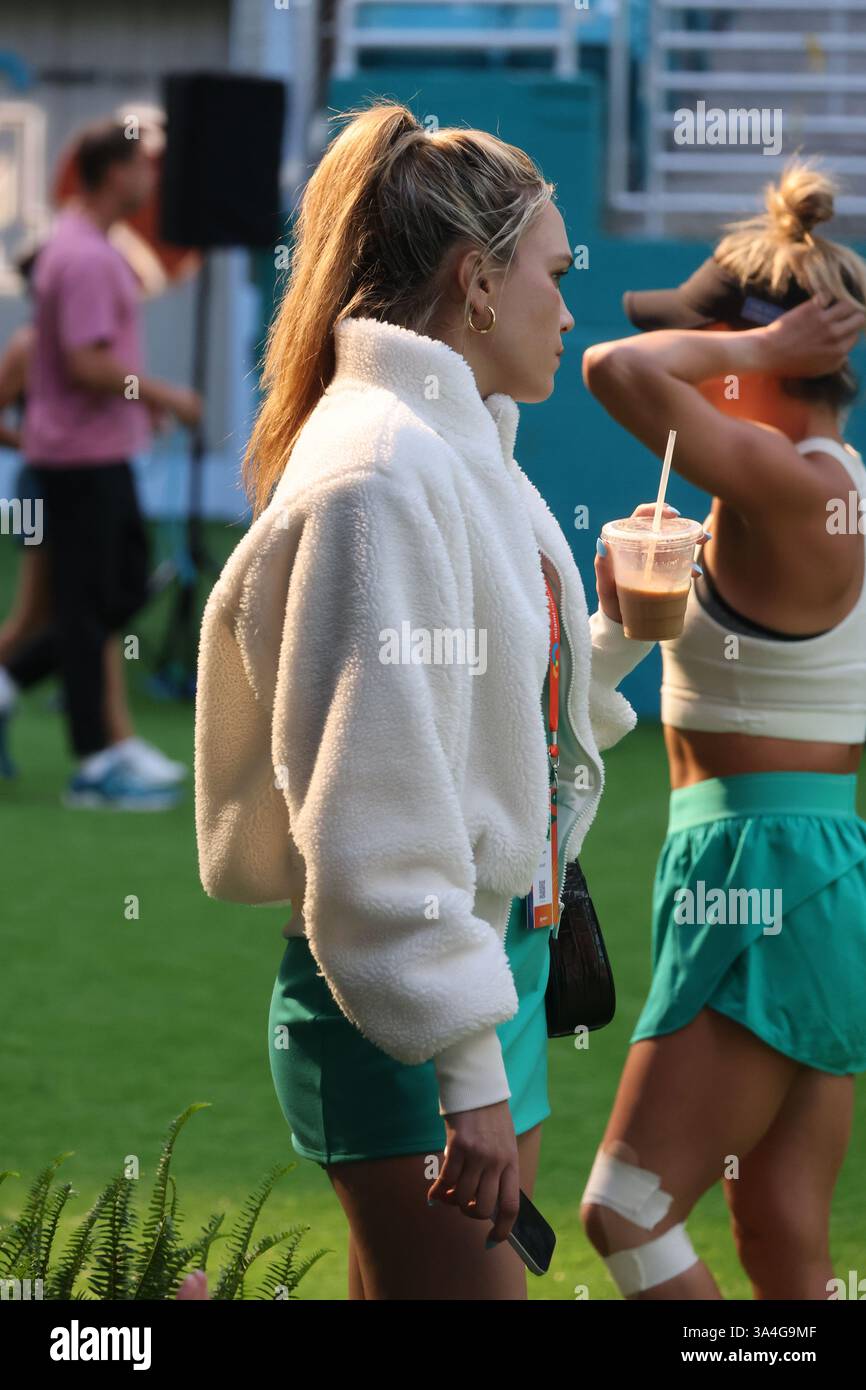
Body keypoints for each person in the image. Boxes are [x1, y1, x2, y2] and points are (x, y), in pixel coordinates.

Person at [193, 101, 680, 1300]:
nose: (569, 309)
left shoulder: (449, 449)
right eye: (552, 276)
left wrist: (615, 632)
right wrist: (467, 1071)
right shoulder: (379, 473)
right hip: (405, 1007)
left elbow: (487, 721)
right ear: (475, 281)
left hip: (465, 985)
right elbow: (369, 816)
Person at [580, 157, 866, 1300]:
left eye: (717, 358)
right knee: (781, 1241)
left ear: (765, 364)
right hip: (800, 867)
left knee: (628, 1211)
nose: (697, 383)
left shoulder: (793, 487)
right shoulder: (796, 487)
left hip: (759, 869)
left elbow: (611, 366)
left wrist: (747, 348)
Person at [0, 118, 200, 808]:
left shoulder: (85, 247)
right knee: (89, 611)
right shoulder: (83, 255)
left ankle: (27, 690)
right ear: (115, 172)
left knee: (108, 598)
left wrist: (138, 400)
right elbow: (88, 364)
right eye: (145, 165)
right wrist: (164, 393)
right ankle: (96, 763)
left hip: (90, 456)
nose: (153, 179)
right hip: (80, 461)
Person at [0, 265, 184, 787]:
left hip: (72, 483)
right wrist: (35, 443)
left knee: (87, 610)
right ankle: (107, 734)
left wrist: (143, 407)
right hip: (39, 488)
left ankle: (118, 735)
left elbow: (112, 390)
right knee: (36, 613)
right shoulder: (28, 345)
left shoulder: (83, 347)